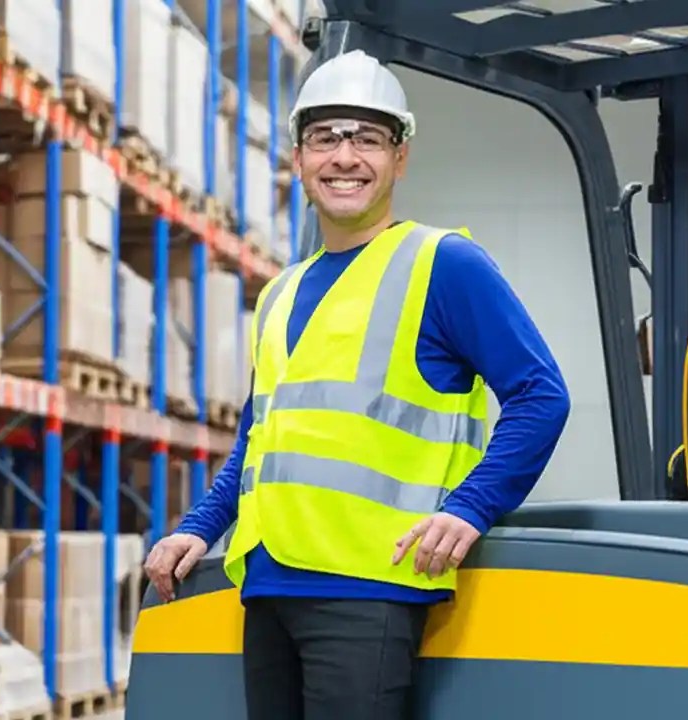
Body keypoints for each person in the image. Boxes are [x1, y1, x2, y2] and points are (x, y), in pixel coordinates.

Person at [142, 49, 571, 720]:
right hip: (268, 588)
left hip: (369, 591)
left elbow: (541, 395)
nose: (345, 156)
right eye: (326, 137)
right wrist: (201, 526)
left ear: (400, 158)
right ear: (298, 159)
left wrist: (469, 508)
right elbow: (263, 438)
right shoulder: (282, 292)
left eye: (368, 138)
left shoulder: (442, 264)